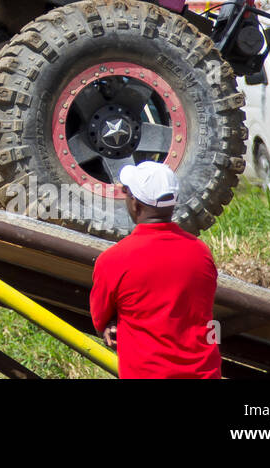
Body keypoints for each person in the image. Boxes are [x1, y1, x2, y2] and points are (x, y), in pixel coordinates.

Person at [89, 161, 221, 379]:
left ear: (135, 204)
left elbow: (99, 320)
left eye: (126, 192)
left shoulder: (113, 260)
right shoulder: (201, 253)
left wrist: (111, 325)